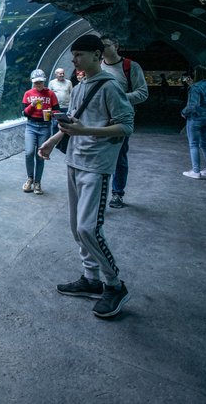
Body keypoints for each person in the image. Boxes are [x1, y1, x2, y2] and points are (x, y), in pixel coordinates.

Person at [38, 34, 134, 319]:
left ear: (96, 55)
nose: (74, 60)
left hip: (97, 165)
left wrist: (85, 132)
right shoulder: (80, 86)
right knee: (74, 226)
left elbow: (126, 126)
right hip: (74, 161)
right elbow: (75, 122)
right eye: (73, 56)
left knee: (88, 228)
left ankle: (114, 285)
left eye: (79, 55)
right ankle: (90, 278)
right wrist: (55, 139)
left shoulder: (111, 87)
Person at [100, 35, 149, 208]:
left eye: (106, 45)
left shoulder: (130, 67)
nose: (103, 49)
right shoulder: (96, 66)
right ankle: (99, 193)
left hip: (120, 118)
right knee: (99, 157)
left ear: (116, 46)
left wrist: (117, 98)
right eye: (101, 46)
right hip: (99, 120)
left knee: (119, 157)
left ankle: (117, 193)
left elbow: (142, 93)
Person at [21, 69, 59, 195]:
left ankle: (37, 182)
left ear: (44, 81)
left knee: (40, 154)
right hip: (31, 126)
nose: (38, 85)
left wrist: (51, 114)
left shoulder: (51, 94)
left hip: (45, 126)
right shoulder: (28, 93)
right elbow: (25, 113)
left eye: (40, 82)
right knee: (29, 152)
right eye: (36, 82)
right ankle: (29, 178)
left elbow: (57, 111)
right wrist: (32, 105)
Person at [181, 66, 206, 179]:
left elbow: (193, 105)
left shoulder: (195, 87)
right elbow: (203, 97)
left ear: (198, 74)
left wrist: (183, 112)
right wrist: (192, 85)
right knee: (205, 143)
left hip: (196, 118)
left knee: (193, 144)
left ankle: (196, 171)